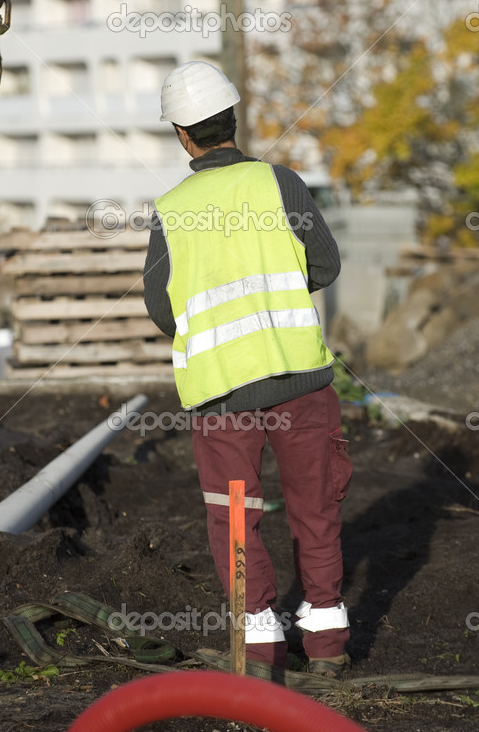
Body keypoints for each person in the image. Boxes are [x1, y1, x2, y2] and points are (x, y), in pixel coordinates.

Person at [143, 60, 352, 677]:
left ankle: (259, 649)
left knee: (236, 517)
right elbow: (327, 264)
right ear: (234, 120)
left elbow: (162, 308)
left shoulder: (171, 210)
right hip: (300, 381)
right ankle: (329, 644)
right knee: (315, 504)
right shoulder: (281, 183)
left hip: (220, 395)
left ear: (182, 135)